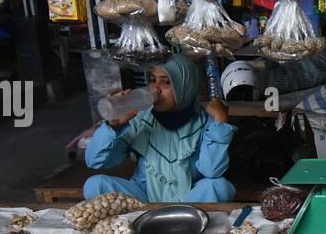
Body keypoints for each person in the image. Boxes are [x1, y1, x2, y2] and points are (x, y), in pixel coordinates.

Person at [83, 54, 237, 202]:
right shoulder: (138, 117)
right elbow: (95, 162)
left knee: (218, 186)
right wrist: (114, 126)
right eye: (152, 80)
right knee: (94, 185)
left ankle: (181, 219)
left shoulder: (205, 122)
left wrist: (220, 122)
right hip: (144, 197)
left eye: (166, 82)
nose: (155, 89)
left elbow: (212, 171)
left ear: (185, 86)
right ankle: (169, 221)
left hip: (191, 199)